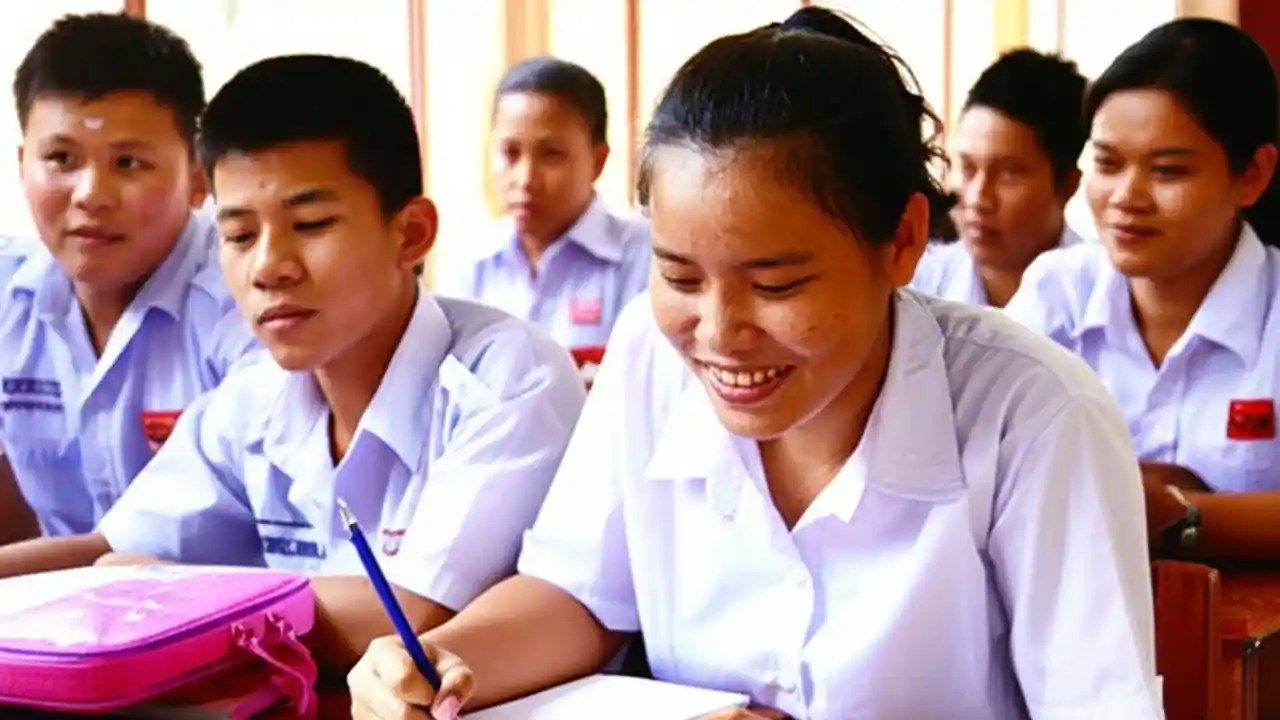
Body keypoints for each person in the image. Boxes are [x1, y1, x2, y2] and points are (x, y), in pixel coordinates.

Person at [347, 8, 1161, 720]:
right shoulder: (649, 352)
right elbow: (578, 595)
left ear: (905, 240)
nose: (720, 333)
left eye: (776, 284)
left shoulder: (1036, 414)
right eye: (678, 276)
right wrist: (440, 662)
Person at [0, 54, 587, 676]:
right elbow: (113, 551)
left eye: (309, 224)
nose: (269, 267)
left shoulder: (507, 378)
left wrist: (171, 596)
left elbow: (412, 618)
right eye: (240, 236)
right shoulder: (253, 396)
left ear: (411, 233)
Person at [1006, 18, 1280, 559]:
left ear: (1252, 174)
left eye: (1168, 171)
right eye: (1107, 163)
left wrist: (1179, 514)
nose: (1126, 197)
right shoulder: (1057, 293)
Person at [0, 13, 258, 541]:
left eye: (129, 163)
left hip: (226, 615)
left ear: (196, 178)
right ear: (23, 163)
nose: (91, 194)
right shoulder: (8, 298)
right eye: (60, 158)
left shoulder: (250, 301)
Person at [433, 57, 650, 355]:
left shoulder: (642, 258)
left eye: (551, 154)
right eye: (510, 153)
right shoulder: (472, 265)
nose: (525, 179)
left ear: (598, 161)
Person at [910, 48, 1087, 308]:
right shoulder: (920, 286)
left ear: (1068, 184)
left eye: (1009, 174)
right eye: (968, 167)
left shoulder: (1097, 295)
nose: (978, 199)